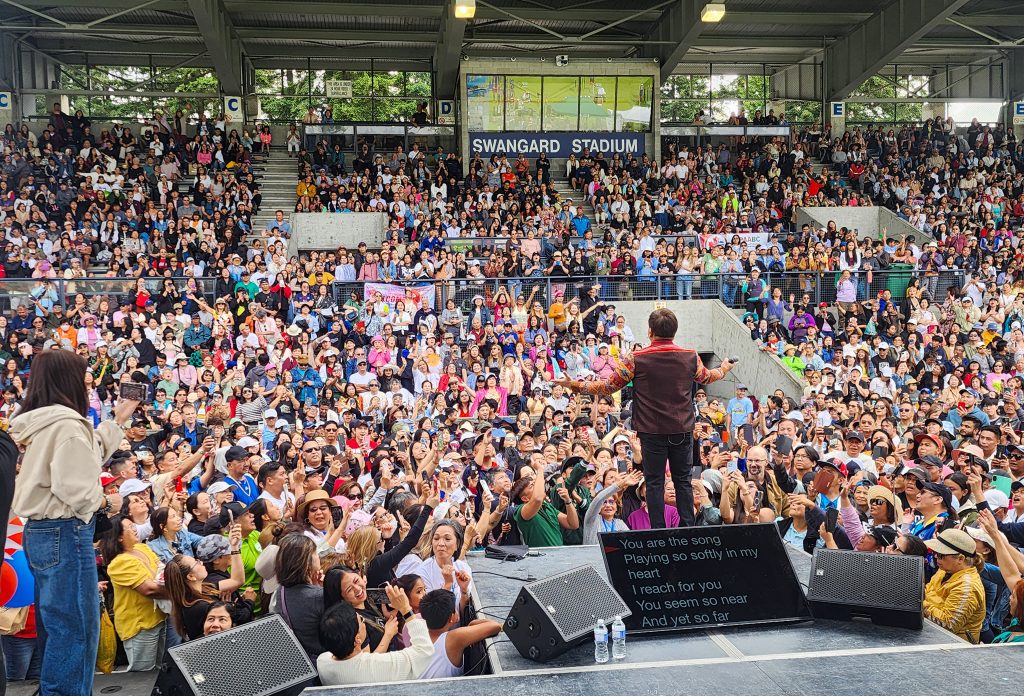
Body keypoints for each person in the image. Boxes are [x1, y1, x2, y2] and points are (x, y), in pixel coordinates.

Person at [9, 350, 138, 695]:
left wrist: (118, 420)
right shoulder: (66, 425)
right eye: (83, 377)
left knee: (59, 626)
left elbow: (85, 452)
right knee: (77, 628)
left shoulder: (44, 422)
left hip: (42, 532)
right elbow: (76, 487)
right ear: (68, 380)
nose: (88, 383)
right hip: (65, 532)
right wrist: (108, 502)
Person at [556, 308, 734, 527]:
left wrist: (574, 384)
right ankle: (688, 528)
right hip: (681, 430)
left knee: (655, 482)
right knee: (683, 482)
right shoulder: (690, 356)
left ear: (650, 332)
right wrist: (724, 368)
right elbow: (708, 377)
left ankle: (658, 530)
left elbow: (607, 386)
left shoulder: (636, 358)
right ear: (674, 332)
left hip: (651, 433)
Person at [316, 583, 433, 686]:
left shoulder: (322, 662)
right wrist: (406, 609)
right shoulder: (381, 666)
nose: (362, 618)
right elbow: (424, 651)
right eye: (361, 619)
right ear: (357, 639)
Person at [418, 589, 502, 678]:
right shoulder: (453, 638)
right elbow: (495, 626)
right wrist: (472, 624)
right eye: (455, 609)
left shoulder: (419, 636)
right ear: (451, 617)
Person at [922, 528, 986, 643]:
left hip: (957, 649)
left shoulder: (968, 587)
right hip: (935, 638)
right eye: (935, 553)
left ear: (960, 559)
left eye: (941, 554)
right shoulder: (944, 569)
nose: (936, 557)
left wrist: (921, 603)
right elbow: (926, 590)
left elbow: (948, 624)